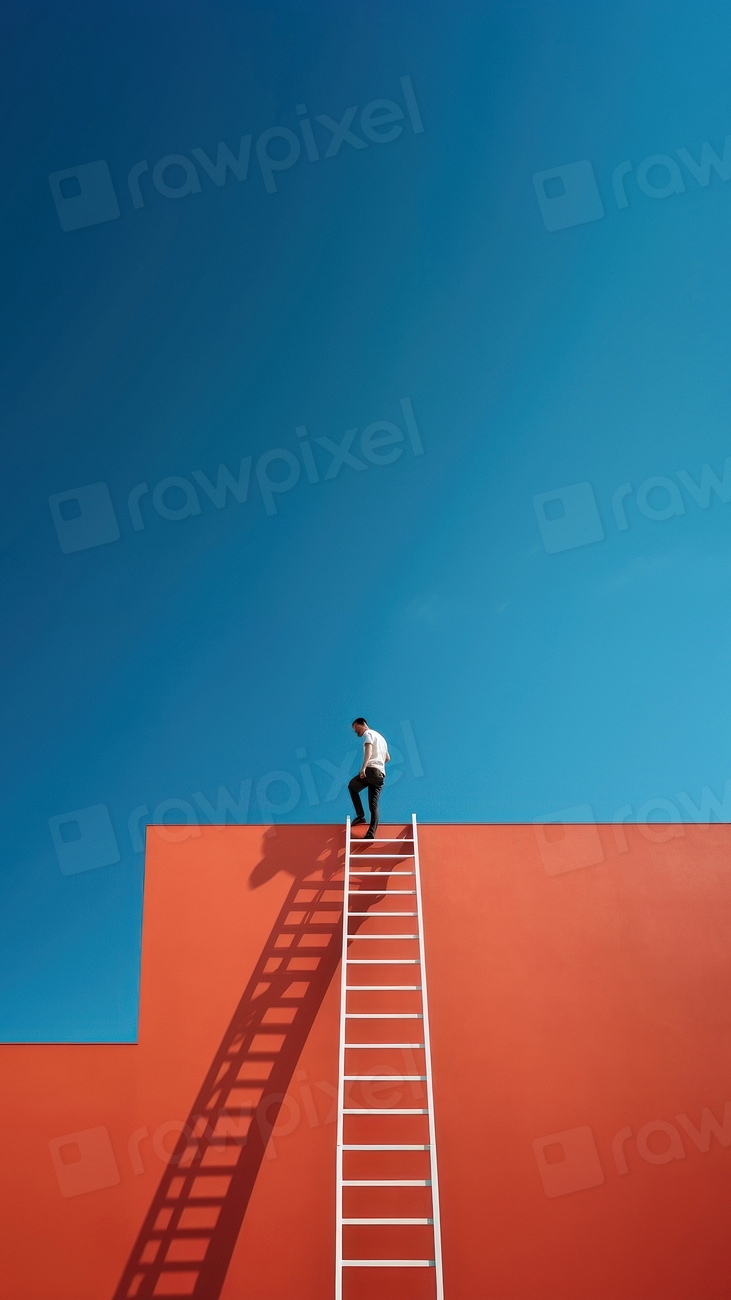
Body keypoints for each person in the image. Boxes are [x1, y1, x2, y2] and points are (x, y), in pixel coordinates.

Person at [348, 718, 390, 839]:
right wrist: (379, 762)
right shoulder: (382, 739)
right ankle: (371, 833)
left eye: (356, 728)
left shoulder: (368, 733)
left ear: (362, 724)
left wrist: (364, 767)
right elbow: (387, 758)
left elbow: (369, 749)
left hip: (370, 770)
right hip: (380, 774)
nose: (356, 732)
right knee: (374, 804)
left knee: (352, 786)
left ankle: (360, 815)